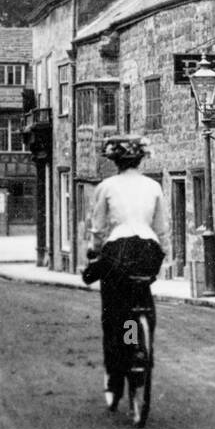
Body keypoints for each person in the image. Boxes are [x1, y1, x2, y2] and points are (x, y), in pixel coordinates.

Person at [83, 135, 169, 410]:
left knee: (113, 316)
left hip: (118, 252)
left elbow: (98, 229)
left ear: (115, 160)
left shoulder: (107, 186)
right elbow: (162, 228)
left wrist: (95, 251)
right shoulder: (153, 186)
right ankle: (141, 341)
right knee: (140, 297)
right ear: (140, 159)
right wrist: (163, 255)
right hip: (147, 251)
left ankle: (116, 375)